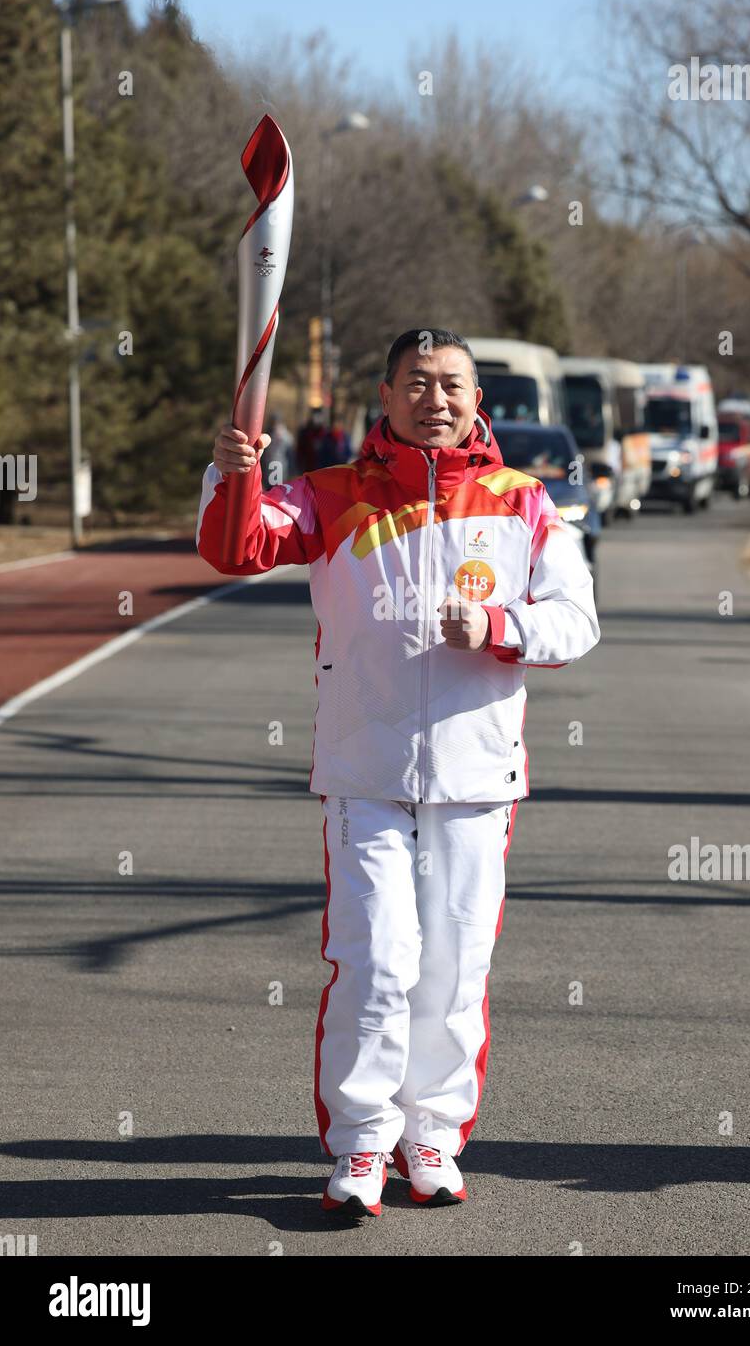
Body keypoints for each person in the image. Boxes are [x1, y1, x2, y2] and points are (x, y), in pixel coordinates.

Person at [196, 327, 600, 1219]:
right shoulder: (331, 494)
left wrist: (501, 629)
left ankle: (434, 1136)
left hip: (477, 778)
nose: (435, 399)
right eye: (415, 384)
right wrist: (233, 474)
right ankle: (365, 1141)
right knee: (376, 960)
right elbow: (238, 548)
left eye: (451, 383)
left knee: (456, 968)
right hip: (364, 771)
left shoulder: (523, 501)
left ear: (476, 398)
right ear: (383, 397)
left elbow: (576, 621)